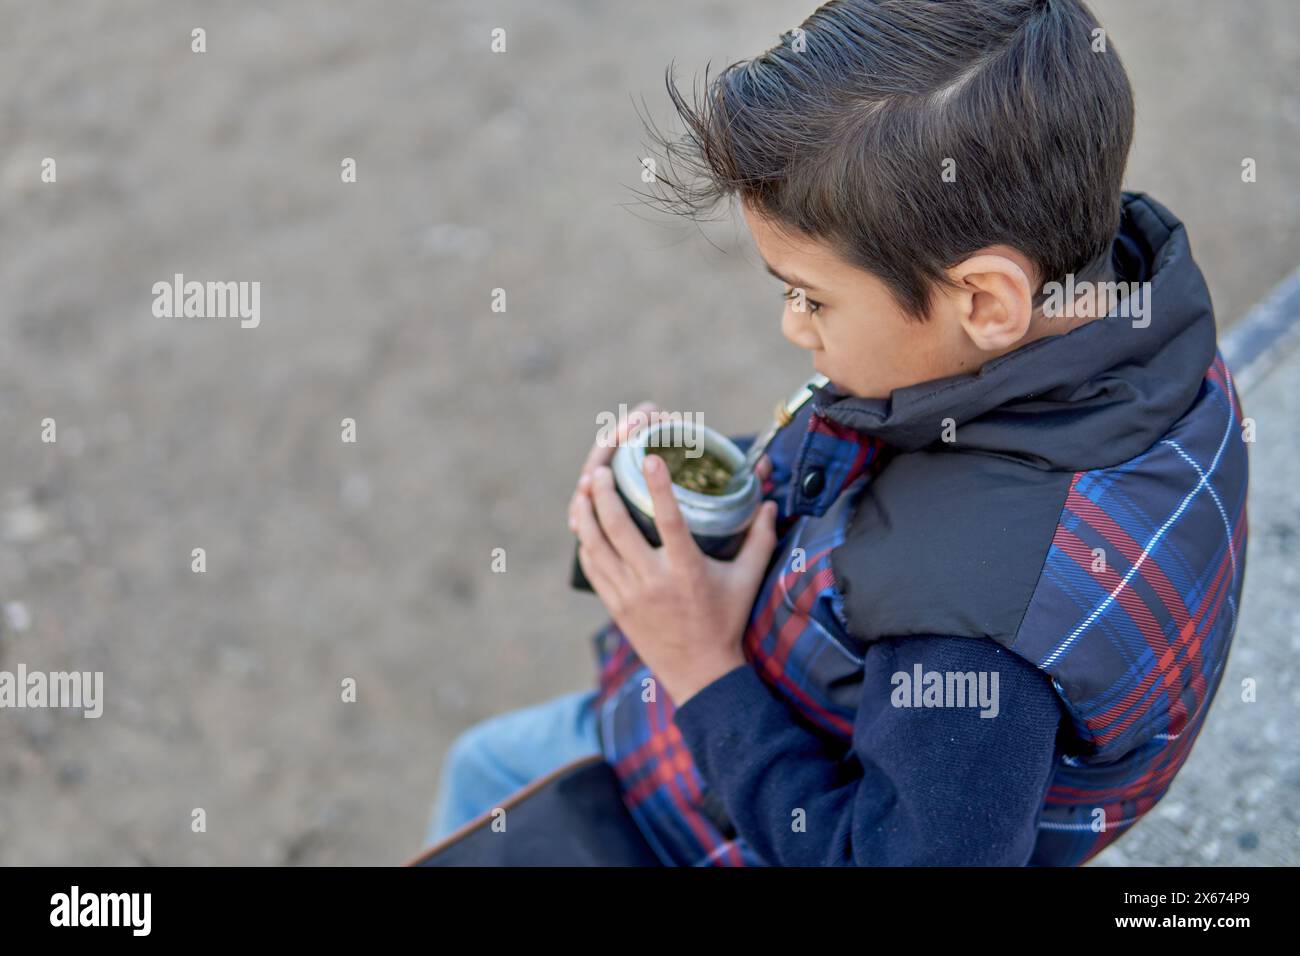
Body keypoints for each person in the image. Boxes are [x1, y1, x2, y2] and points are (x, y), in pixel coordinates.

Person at [427, 0, 1249, 866]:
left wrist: (701, 671)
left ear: (985, 301)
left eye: (810, 296)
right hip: (763, 688)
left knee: (484, 772)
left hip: (699, 805)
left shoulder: (974, 645)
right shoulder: (1131, 327)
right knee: (482, 763)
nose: (792, 326)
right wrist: (727, 488)